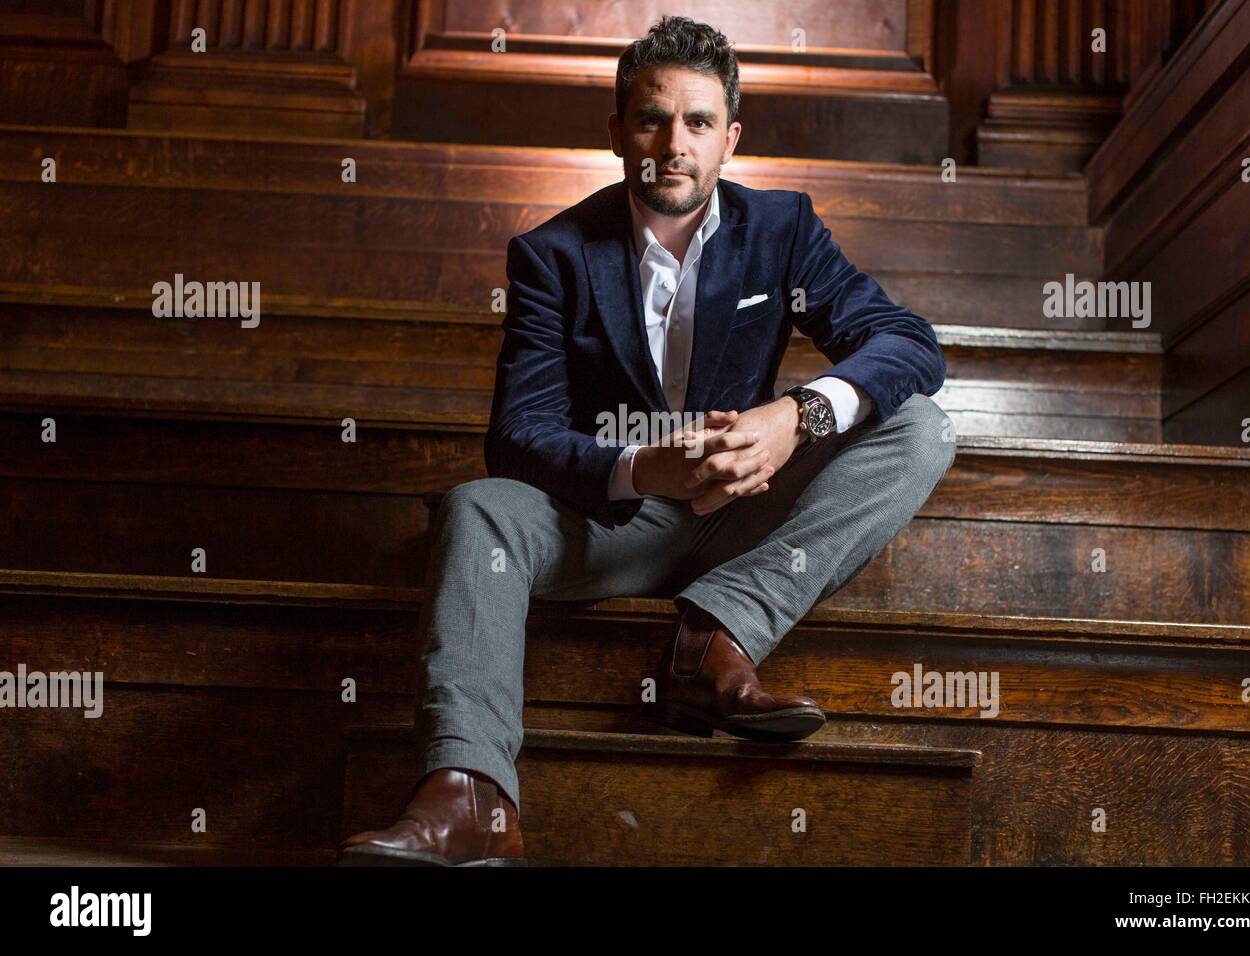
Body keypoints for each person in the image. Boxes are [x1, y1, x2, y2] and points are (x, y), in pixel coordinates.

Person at [339, 15, 953, 867]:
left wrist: (795, 415)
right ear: (617, 130)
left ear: (730, 138)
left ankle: (717, 636)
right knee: (478, 508)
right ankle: (468, 798)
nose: (674, 143)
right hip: (612, 521)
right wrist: (638, 467)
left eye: (699, 123)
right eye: (651, 119)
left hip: (746, 510)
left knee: (921, 425)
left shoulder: (781, 232)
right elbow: (517, 438)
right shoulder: (553, 254)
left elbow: (910, 343)